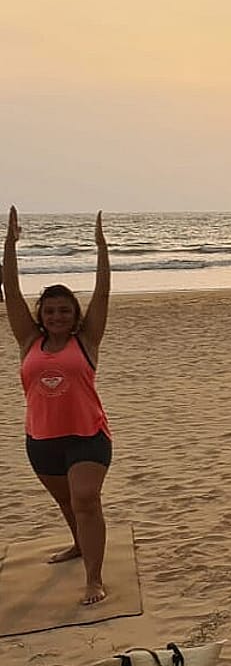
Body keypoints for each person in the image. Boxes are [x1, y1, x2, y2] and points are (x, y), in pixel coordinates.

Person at [4, 206, 112, 605]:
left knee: (86, 499)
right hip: (42, 440)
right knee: (67, 503)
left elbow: (102, 293)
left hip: (88, 437)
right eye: (50, 311)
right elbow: (10, 291)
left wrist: (102, 248)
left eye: (64, 310)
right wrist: (10, 244)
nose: (57, 316)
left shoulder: (87, 341)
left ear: (75, 315)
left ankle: (94, 579)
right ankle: (78, 544)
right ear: (41, 316)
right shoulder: (28, 342)